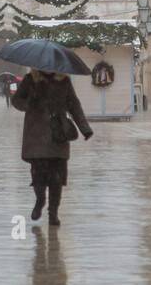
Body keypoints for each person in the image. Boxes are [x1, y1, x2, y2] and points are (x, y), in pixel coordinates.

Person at [10, 68, 93, 226]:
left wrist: (85, 128)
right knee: (38, 175)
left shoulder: (64, 81)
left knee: (57, 178)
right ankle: (40, 200)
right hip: (36, 134)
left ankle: (53, 213)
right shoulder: (30, 79)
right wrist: (29, 103)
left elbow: (74, 105)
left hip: (58, 134)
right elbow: (16, 101)